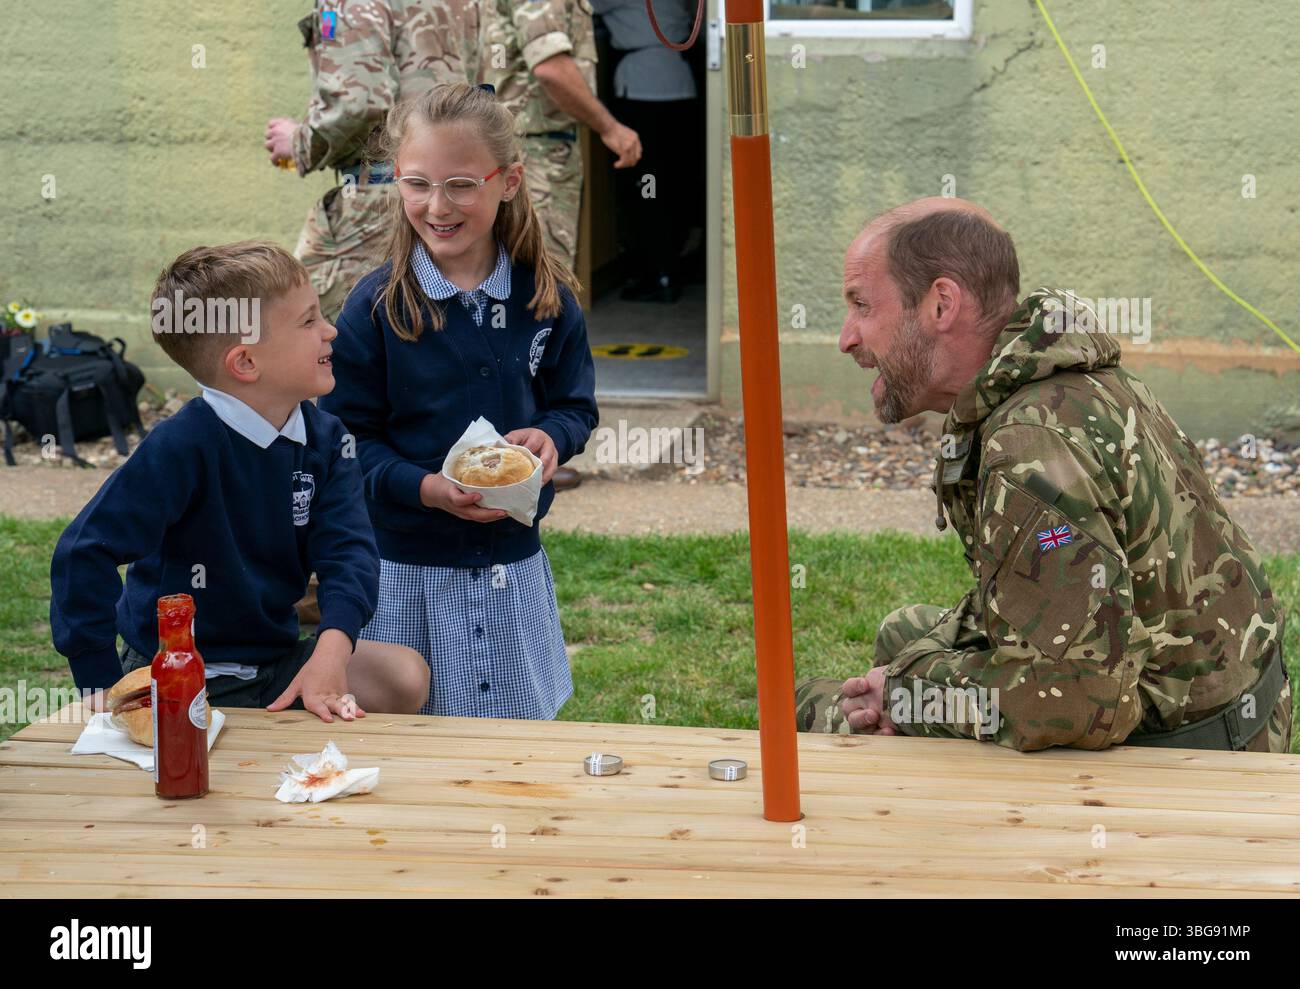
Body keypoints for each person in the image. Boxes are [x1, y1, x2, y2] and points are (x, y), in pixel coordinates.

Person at [795, 197, 1291, 754]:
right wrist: (919, 670)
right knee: (902, 633)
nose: (846, 338)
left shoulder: (1032, 443)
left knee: (815, 709)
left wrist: (910, 695)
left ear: (940, 305)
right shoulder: (1066, 378)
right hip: (1223, 704)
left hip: (1189, 756)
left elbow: (1080, 704)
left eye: (862, 306)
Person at [50, 242, 430, 722]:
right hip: (166, 673)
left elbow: (348, 553)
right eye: (309, 321)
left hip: (272, 665)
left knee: (405, 675)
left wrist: (330, 656)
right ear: (246, 363)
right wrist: (100, 682)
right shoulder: (182, 445)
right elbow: (84, 551)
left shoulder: (328, 440)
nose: (330, 331)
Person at [320, 83, 599, 719]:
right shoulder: (376, 307)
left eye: (462, 184)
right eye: (416, 183)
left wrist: (552, 436)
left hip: (511, 566)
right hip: (401, 572)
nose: (436, 205)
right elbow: (344, 443)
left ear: (509, 181)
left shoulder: (546, 299)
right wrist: (425, 489)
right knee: (411, 760)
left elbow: (575, 407)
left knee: (513, 757)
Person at [264, 0, 482, 322]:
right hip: (453, 196)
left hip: (379, 202)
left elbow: (358, 103)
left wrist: (298, 141)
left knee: (303, 328)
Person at [482, 0, 642, 270]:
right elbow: (550, 68)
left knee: (522, 273)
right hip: (535, 154)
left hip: (527, 147)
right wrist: (610, 128)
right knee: (543, 276)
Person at [591, 0, 700, 303]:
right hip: (680, 84)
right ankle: (670, 266)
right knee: (673, 183)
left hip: (643, 89)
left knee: (645, 186)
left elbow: (577, 7)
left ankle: (659, 273)